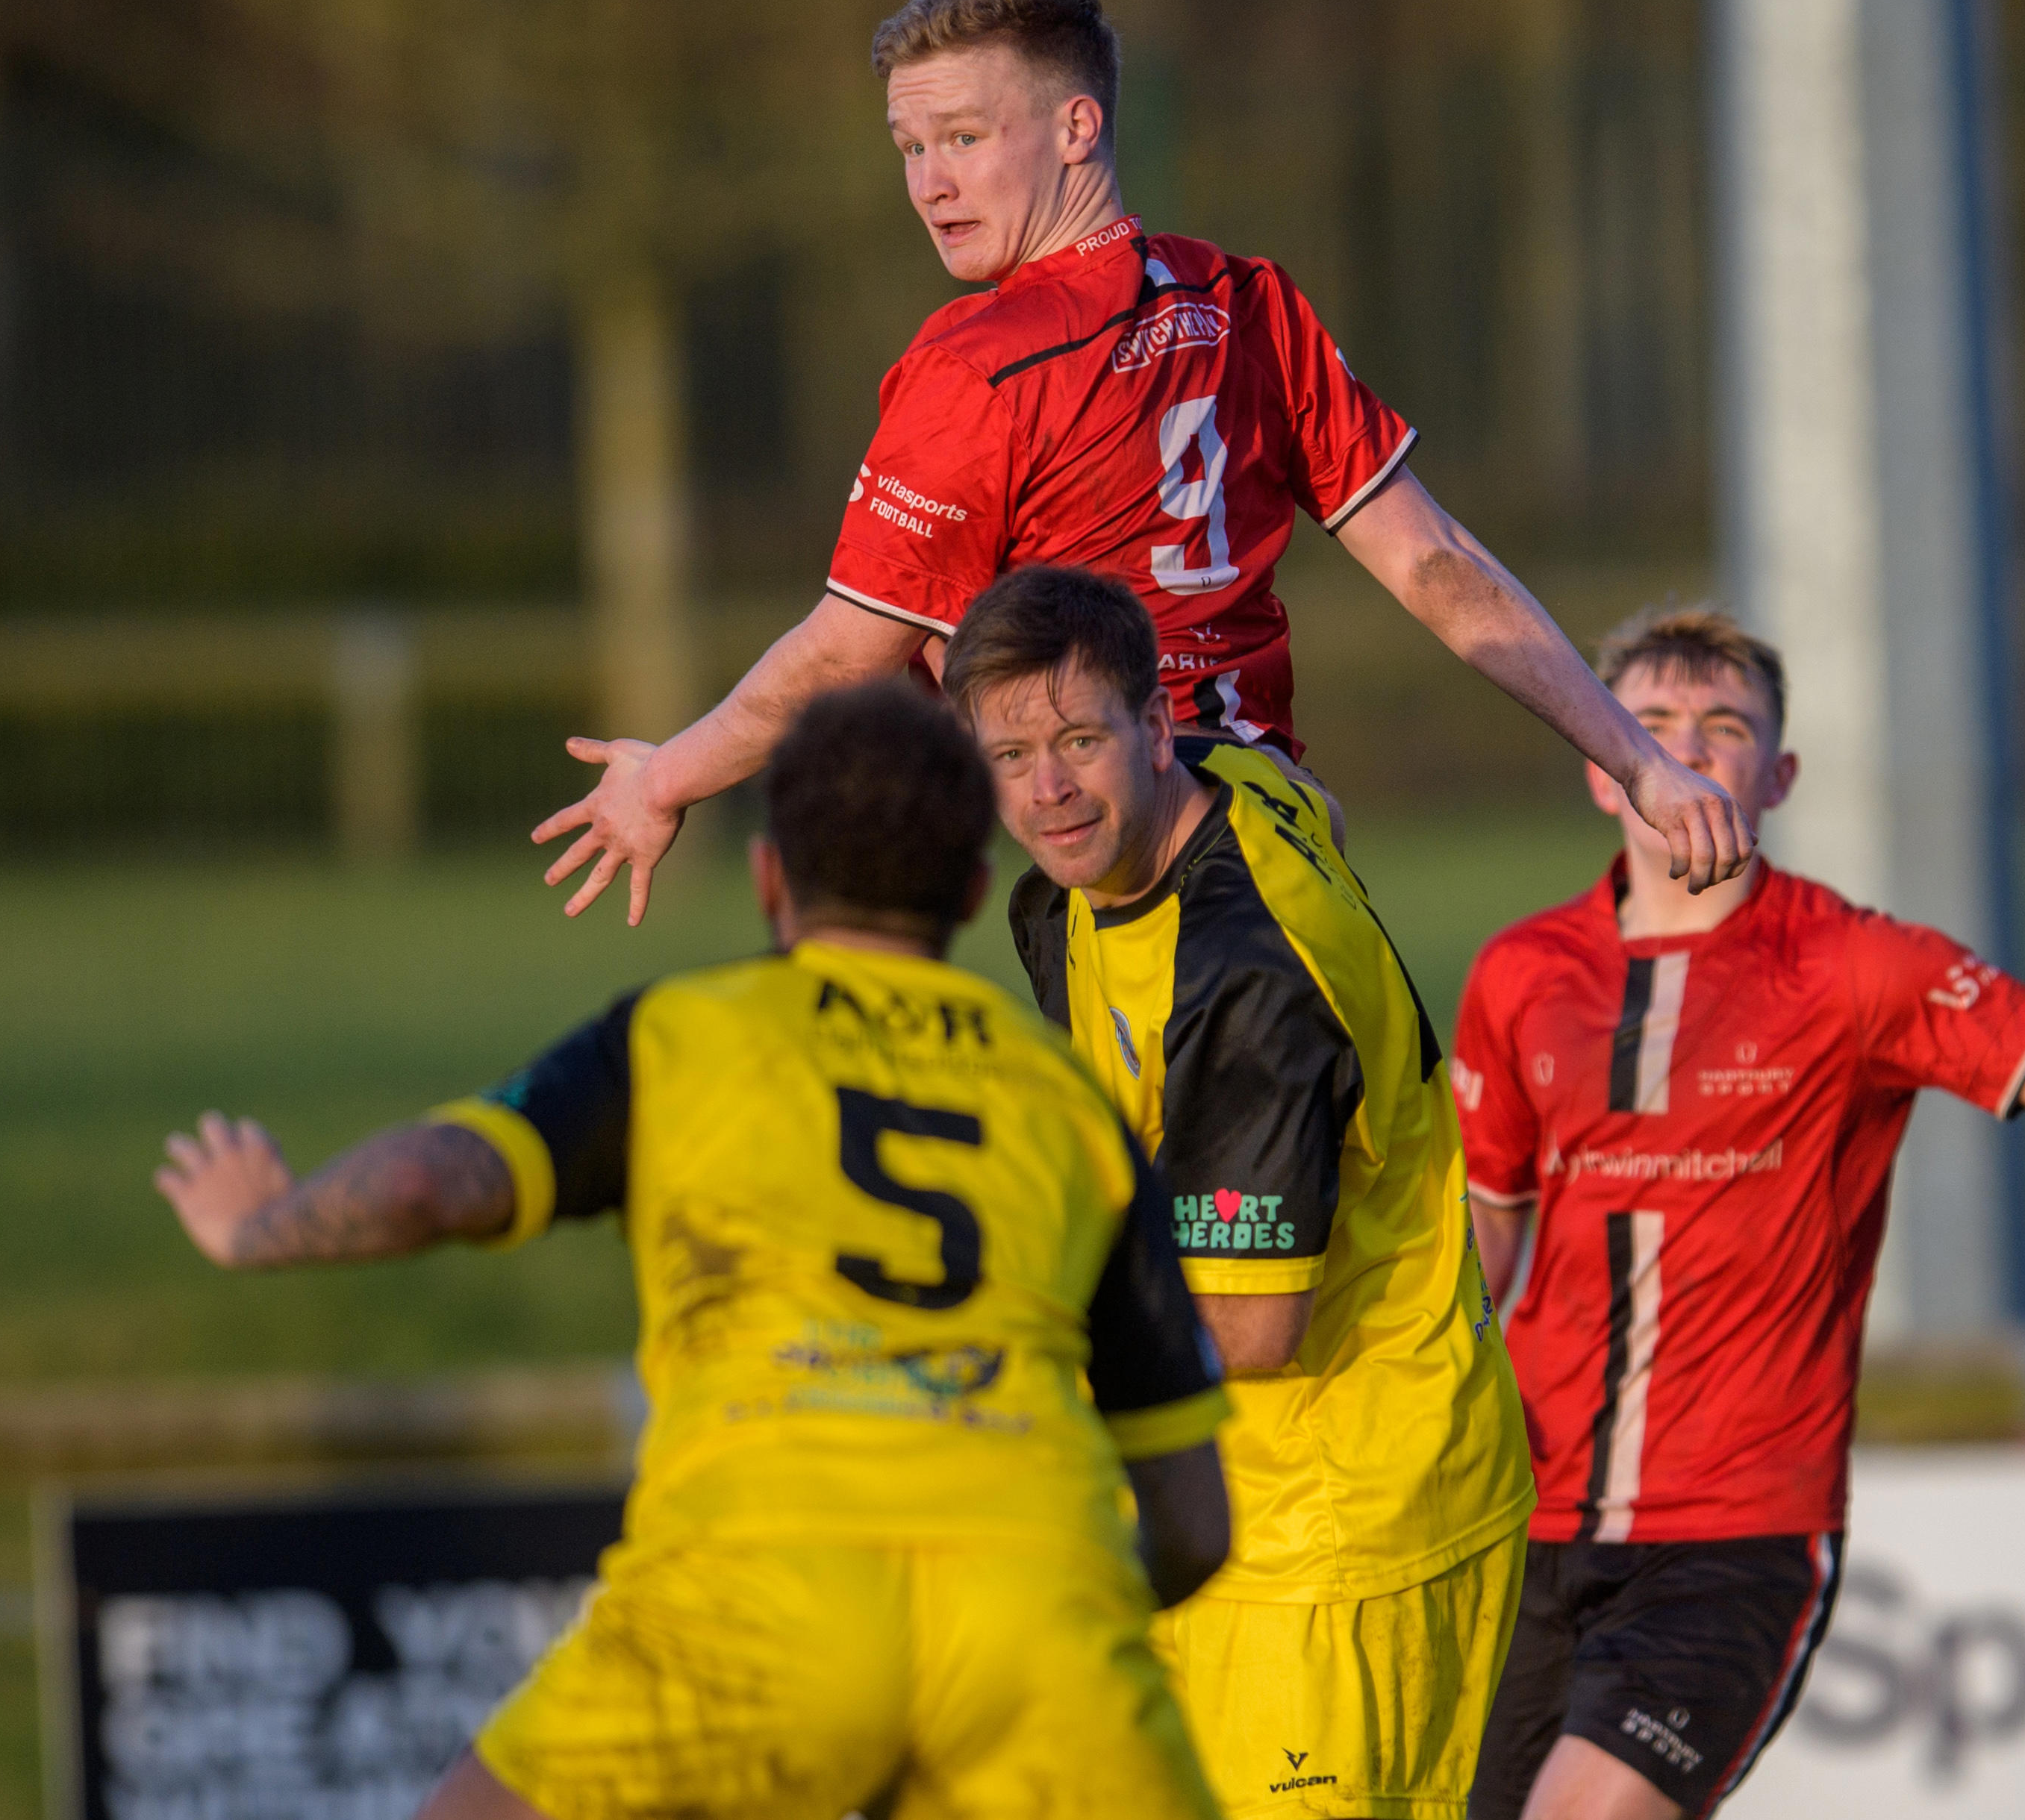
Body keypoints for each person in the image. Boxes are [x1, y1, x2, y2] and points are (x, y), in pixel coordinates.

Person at [152, 681, 1237, 1820]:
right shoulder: (1068, 1104)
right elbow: (1197, 1526)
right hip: (1031, 1607)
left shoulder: (683, 1037)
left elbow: (430, 1183)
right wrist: (1068, 1611)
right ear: (971, 891)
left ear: (772, 878)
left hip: (758, 1596)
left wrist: (254, 1225)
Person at [534, 0, 1749, 927]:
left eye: (963, 137)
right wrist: (1637, 761)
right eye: (910, 147)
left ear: (1076, 126)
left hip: (1149, 875)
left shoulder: (977, 365)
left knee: (1207, 1236)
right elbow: (1434, 566)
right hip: (1290, 854)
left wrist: (666, 776)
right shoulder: (1248, 301)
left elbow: (849, 648)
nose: (929, 183)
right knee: (1299, 1233)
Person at [1448, 606, 2025, 1820]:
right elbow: (1479, 1251)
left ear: (1782, 775)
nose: (1687, 754)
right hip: (1521, 1529)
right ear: (1600, 769)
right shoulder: (1519, 973)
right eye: (1646, 728)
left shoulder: (1854, 967)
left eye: (1725, 729)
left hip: (1733, 1542)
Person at [946, 564, 1534, 1820]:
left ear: (1157, 730)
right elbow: (1301, 789)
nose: (1048, 790)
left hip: (1341, 1532)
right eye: (1008, 756)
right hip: (1210, 1504)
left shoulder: (1247, 982)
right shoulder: (1107, 861)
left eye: (1080, 742)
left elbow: (1254, 1331)